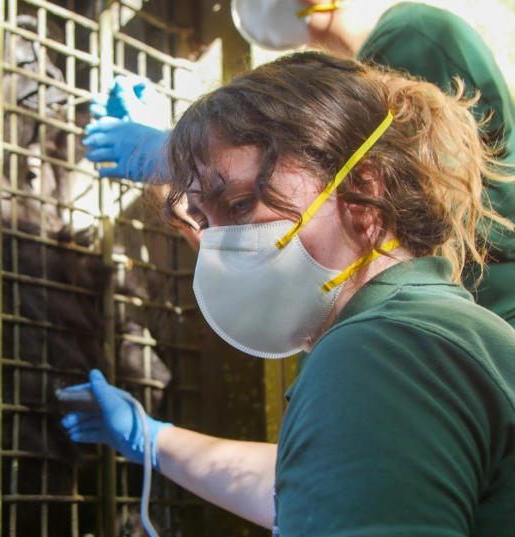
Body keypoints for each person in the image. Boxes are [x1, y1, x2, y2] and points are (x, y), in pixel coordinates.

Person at [64, 51, 515, 537]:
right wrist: (153, 440)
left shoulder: (380, 355)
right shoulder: (431, 333)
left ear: (363, 190)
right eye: (204, 222)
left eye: (239, 205)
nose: (221, 249)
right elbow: (315, 492)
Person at [83, 0, 515, 327]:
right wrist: (188, 172)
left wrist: (177, 154)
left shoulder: (414, 36)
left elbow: (420, 205)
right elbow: (259, 266)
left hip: (484, 309)